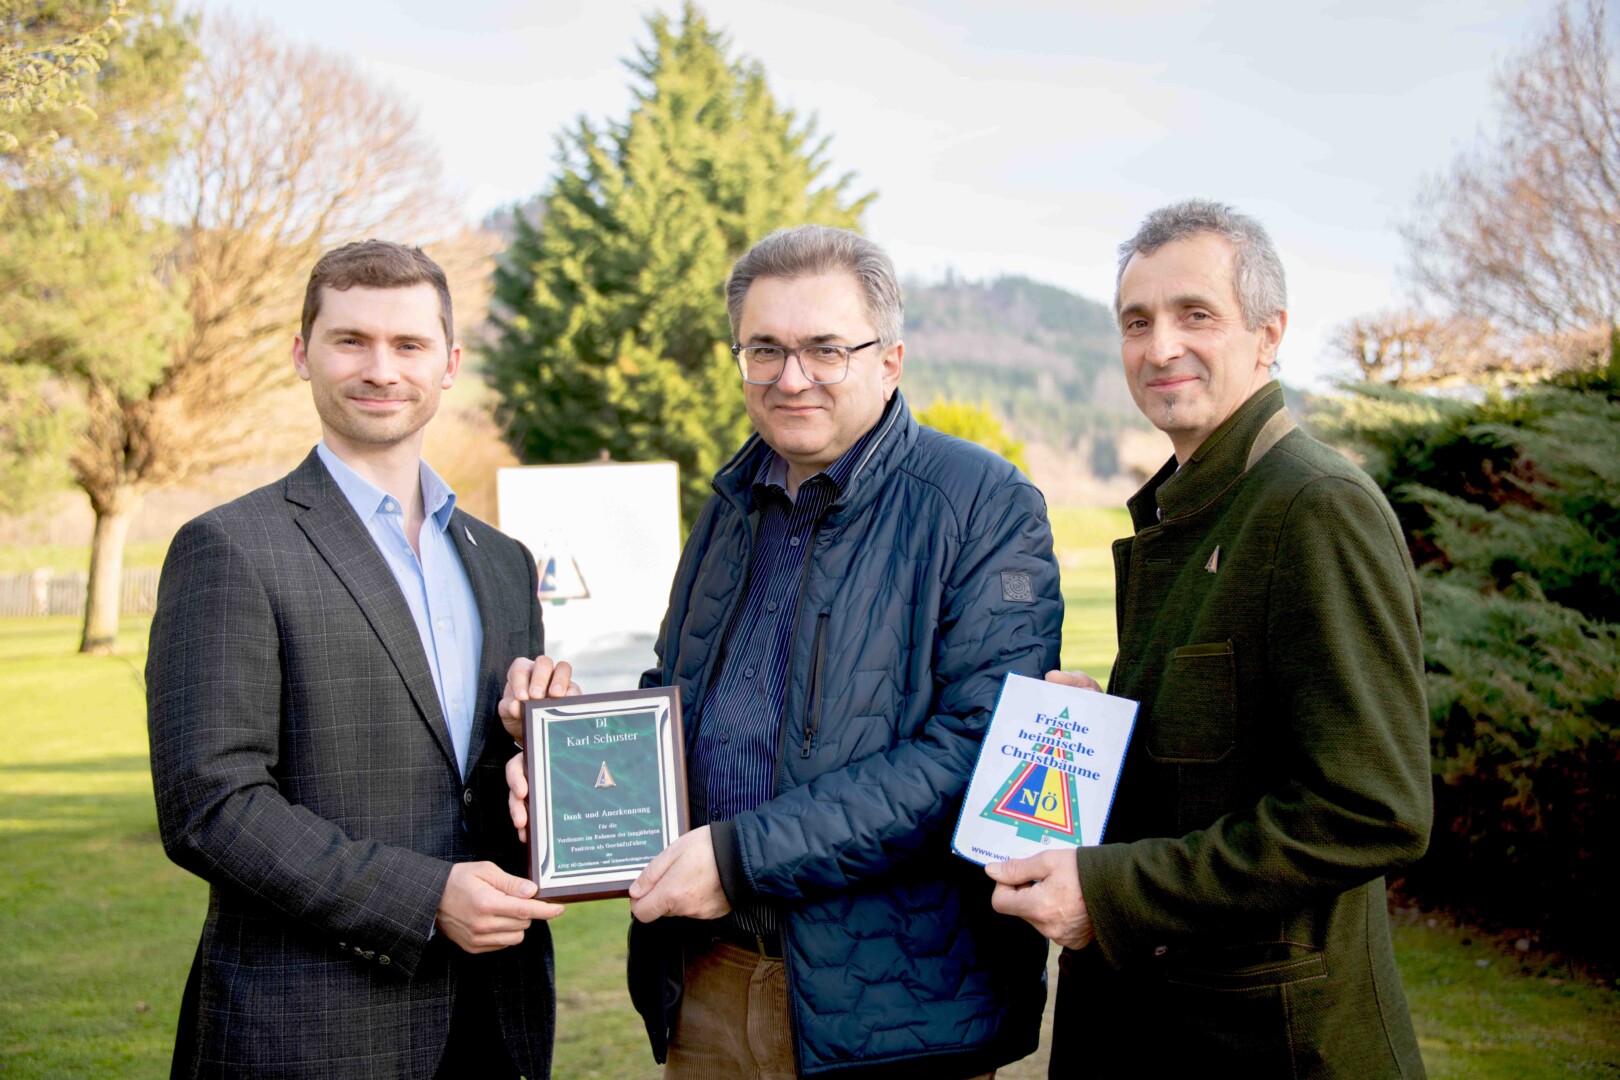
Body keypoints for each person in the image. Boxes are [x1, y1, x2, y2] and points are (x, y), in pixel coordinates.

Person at [504, 224, 1062, 1078]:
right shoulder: (732, 504)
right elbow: (678, 695)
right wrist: (571, 771)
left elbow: (976, 754)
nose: (791, 376)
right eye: (764, 349)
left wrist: (738, 860)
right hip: (710, 979)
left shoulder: (980, 504)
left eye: (825, 349)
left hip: (890, 1007)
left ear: (890, 359)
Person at [986, 200, 1432, 1077]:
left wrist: (1113, 895)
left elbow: (1372, 807)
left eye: (1196, 316)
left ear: (1269, 335)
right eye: (1136, 323)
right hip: (1158, 1028)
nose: (1160, 348)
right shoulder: (1190, 506)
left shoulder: (1312, 507)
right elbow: (1226, 746)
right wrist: (1107, 727)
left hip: (1270, 1045)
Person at [147, 240, 573, 1079]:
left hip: (495, 1019)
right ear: (303, 353)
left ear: (449, 364)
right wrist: (422, 901)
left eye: (409, 345)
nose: (382, 368)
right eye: (352, 341)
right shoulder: (230, 548)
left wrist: (540, 742)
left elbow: (485, 783)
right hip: (311, 1027)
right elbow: (210, 803)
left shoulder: (502, 561)